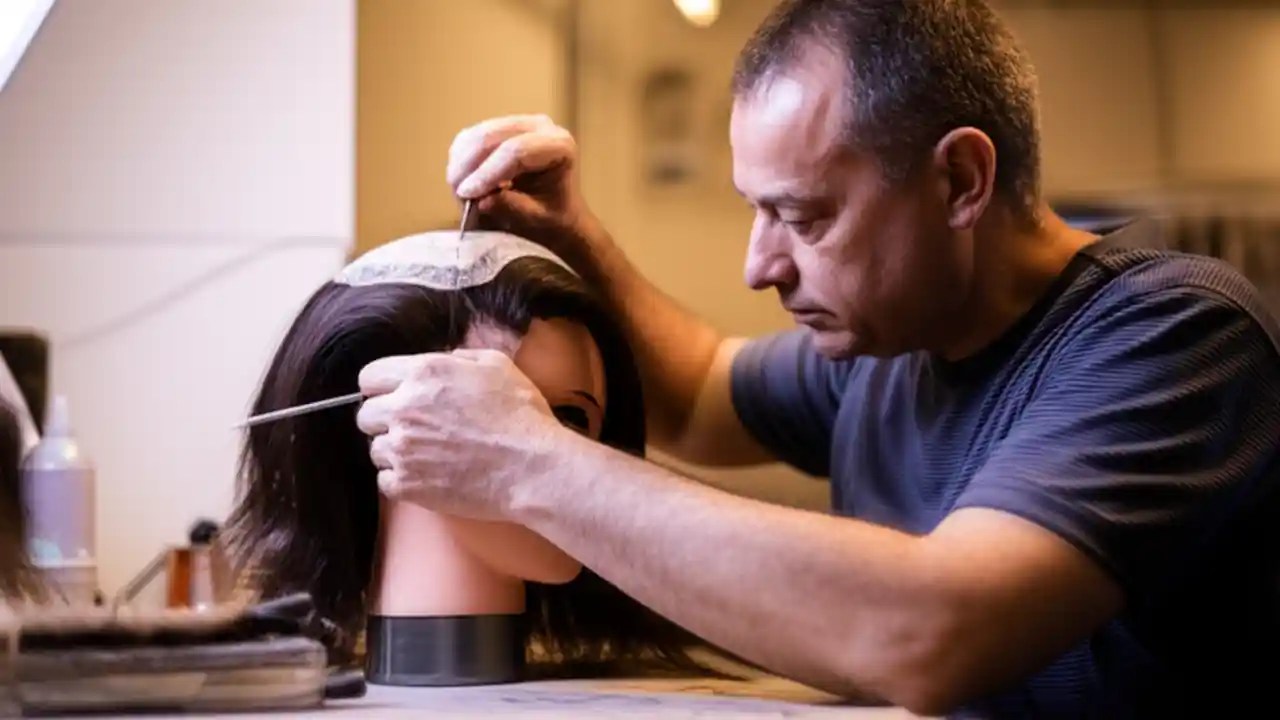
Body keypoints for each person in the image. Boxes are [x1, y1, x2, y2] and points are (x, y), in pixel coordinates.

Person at [354, 0, 1280, 717]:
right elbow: (701, 397)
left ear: (960, 180)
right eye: (758, 210)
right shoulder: (891, 344)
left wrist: (522, 458)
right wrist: (574, 234)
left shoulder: (1174, 335)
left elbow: (931, 635)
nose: (759, 265)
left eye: (803, 216)